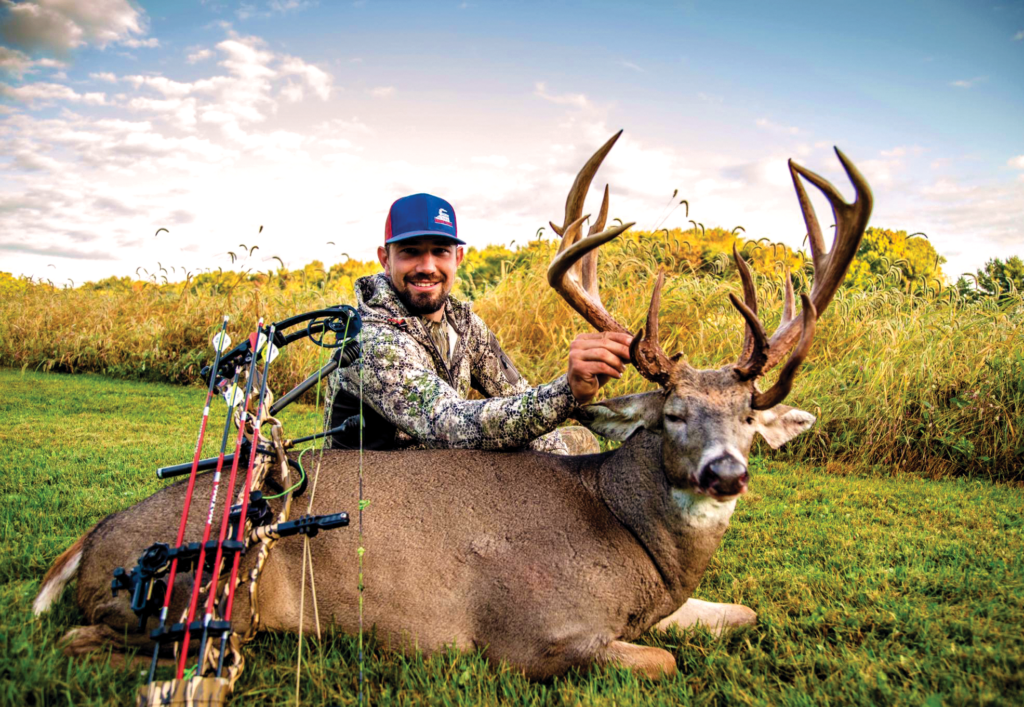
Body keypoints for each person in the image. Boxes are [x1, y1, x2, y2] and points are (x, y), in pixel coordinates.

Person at [323, 192, 632, 452]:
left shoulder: (465, 326)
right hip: (382, 500)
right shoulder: (371, 338)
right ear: (385, 259)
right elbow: (449, 425)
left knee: (578, 442)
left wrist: (561, 464)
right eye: (410, 252)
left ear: (457, 258)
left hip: (438, 473)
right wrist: (568, 391)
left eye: (440, 251)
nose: (427, 267)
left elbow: (516, 397)